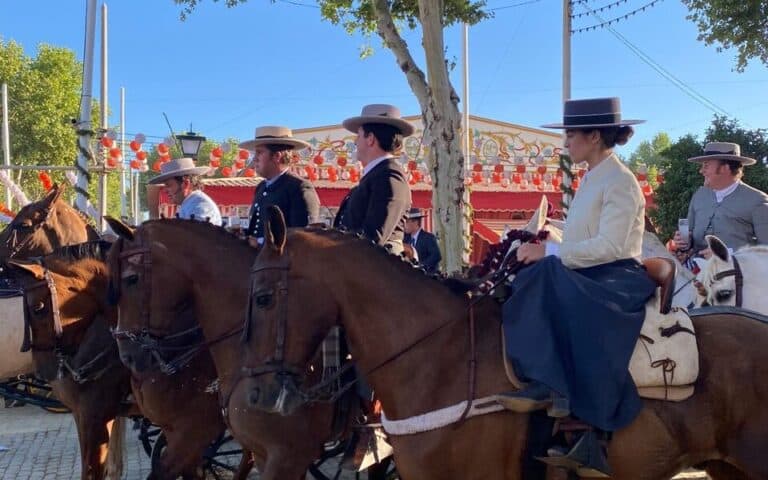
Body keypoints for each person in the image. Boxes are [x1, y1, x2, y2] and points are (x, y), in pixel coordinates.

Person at [496, 98, 656, 476]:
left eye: (570, 135)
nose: (565, 143)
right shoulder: (593, 176)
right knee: (530, 274)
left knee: (544, 275)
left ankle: (561, 394)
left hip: (618, 278)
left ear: (594, 136)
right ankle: (544, 383)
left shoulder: (620, 180)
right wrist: (548, 239)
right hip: (595, 271)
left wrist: (551, 250)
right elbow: (585, 238)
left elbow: (612, 246)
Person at [333, 104, 413, 255]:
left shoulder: (389, 177)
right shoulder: (377, 174)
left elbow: (371, 239)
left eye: (358, 135)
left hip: (377, 273)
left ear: (370, 139)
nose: (356, 142)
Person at [673, 142, 768, 257]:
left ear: (725, 168)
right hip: (696, 269)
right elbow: (690, 236)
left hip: (737, 272)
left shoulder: (757, 200)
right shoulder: (699, 195)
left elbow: (765, 250)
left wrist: (727, 254)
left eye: (706, 166)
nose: (701, 171)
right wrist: (685, 243)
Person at [240, 126, 321, 246]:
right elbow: (258, 230)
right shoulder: (261, 187)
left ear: (277, 156)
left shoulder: (299, 187)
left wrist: (260, 242)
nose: (254, 159)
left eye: (260, 152)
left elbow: (302, 237)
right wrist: (242, 234)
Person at [149, 157, 222, 226]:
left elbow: (195, 237)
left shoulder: (200, 205)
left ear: (186, 183)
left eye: (168, 185)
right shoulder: (192, 203)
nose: (165, 190)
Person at [403, 208, 441, 273]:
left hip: (426, 278)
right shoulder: (405, 239)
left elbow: (436, 256)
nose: (404, 225)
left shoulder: (428, 238)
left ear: (416, 222)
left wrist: (421, 266)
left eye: (407, 222)